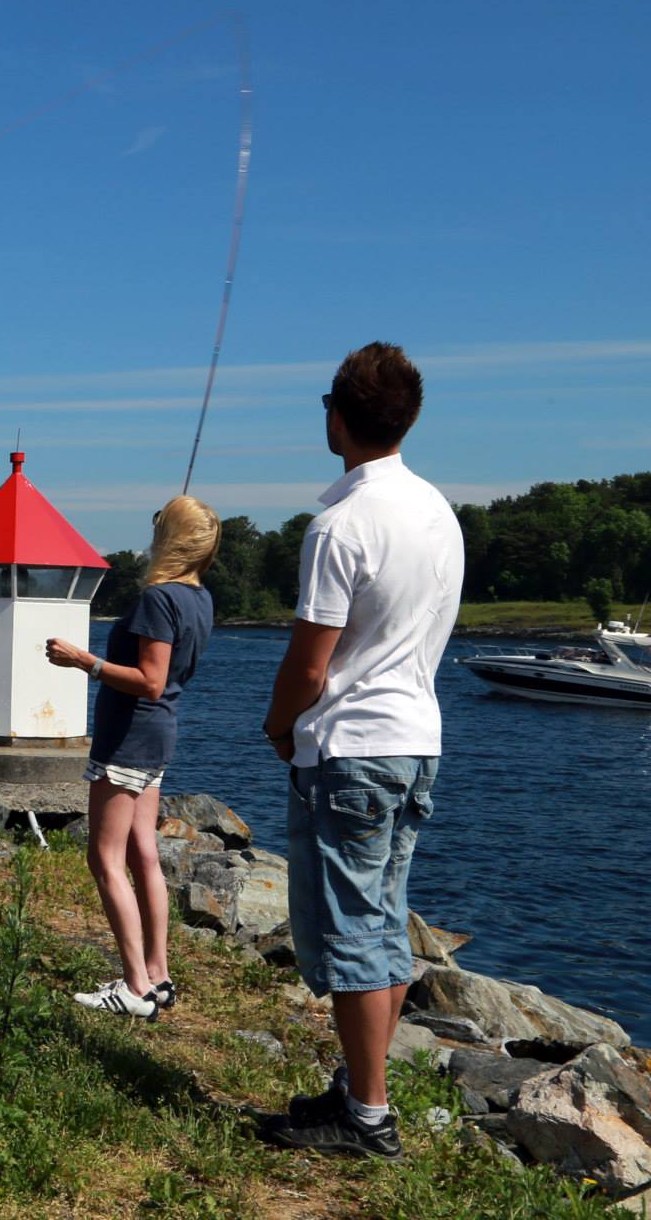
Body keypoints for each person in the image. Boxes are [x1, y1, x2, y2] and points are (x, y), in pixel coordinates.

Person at [257, 342, 463, 1160]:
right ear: (406, 418)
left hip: (351, 749)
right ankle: (359, 1090)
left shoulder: (339, 525)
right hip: (417, 742)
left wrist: (280, 727)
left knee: (349, 935)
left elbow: (311, 663)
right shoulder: (438, 512)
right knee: (380, 923)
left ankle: (367, 1116)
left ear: (337, 416)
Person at [46, 495, 219, 1021]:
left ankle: (135, 986)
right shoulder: (200, 598)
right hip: (159, 734)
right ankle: (157, 975)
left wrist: (84, 661)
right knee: (143, 851)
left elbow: (150, 681)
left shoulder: (157, 599)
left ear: (171, 538)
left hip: (130, 735)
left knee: (104, 858)